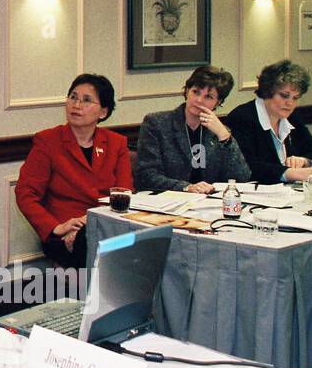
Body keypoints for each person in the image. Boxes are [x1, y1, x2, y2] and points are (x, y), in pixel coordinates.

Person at [15, 74, 132, 269]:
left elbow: (123, 192)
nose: (76, 105)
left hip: (103, 225)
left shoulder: (116, 143)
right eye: (73, 97)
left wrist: (89, 222)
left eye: (86, 100)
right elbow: (25, 194)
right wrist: (56, 228)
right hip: (62, 230)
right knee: (88, 246)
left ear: (103, 112)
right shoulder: (48, 141)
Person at [134, 65, 250, 193]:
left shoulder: (219, 131)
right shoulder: (157, 123)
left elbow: (241, 178)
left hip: (208, 204)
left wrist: (225, 138)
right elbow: (146, 176)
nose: (199, 100)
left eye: (209, 97)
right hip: (169, 201)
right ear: (187, 90)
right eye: (196, 92)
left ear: (218, 102)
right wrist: (186, 187)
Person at [226, 60, 312, 184]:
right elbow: (246, 168)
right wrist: (291, 173)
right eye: (284, 95)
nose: (290, 103)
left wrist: (305, 161)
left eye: (295, 98)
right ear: (267, 91)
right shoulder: (242, 118)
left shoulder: (291, 117)